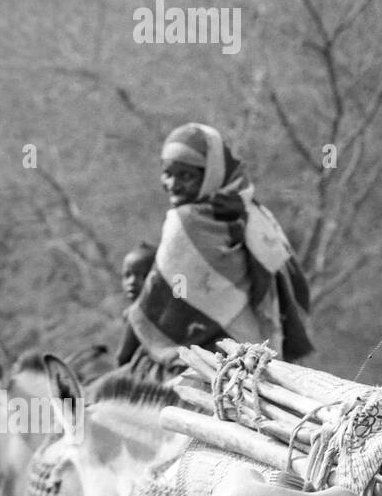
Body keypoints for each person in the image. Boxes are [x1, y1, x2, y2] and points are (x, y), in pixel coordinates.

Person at [127, 123, 313, 366]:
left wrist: (125, 354)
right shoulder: (255, 211)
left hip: (207, 359)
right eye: (168, 173)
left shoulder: (187, 222)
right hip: (259, 351)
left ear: (211, 175)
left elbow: (156, 308)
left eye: (186, 176)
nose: (172, 184)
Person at [114, 242, 156, 368]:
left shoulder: (138, 313)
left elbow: (123, 357)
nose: (132, 282)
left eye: (143, 275)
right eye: (127, 275)